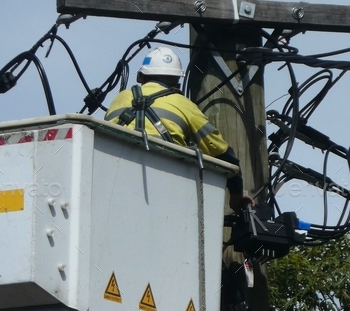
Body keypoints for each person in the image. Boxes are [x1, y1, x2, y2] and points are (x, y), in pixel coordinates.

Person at [104, 46, 253, 212]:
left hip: (115, 179)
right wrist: (236, 194)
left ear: (140, 76)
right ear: (177, 82)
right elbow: (221, 152)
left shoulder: (120, 98)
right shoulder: (183, 104)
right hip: (166, 180)